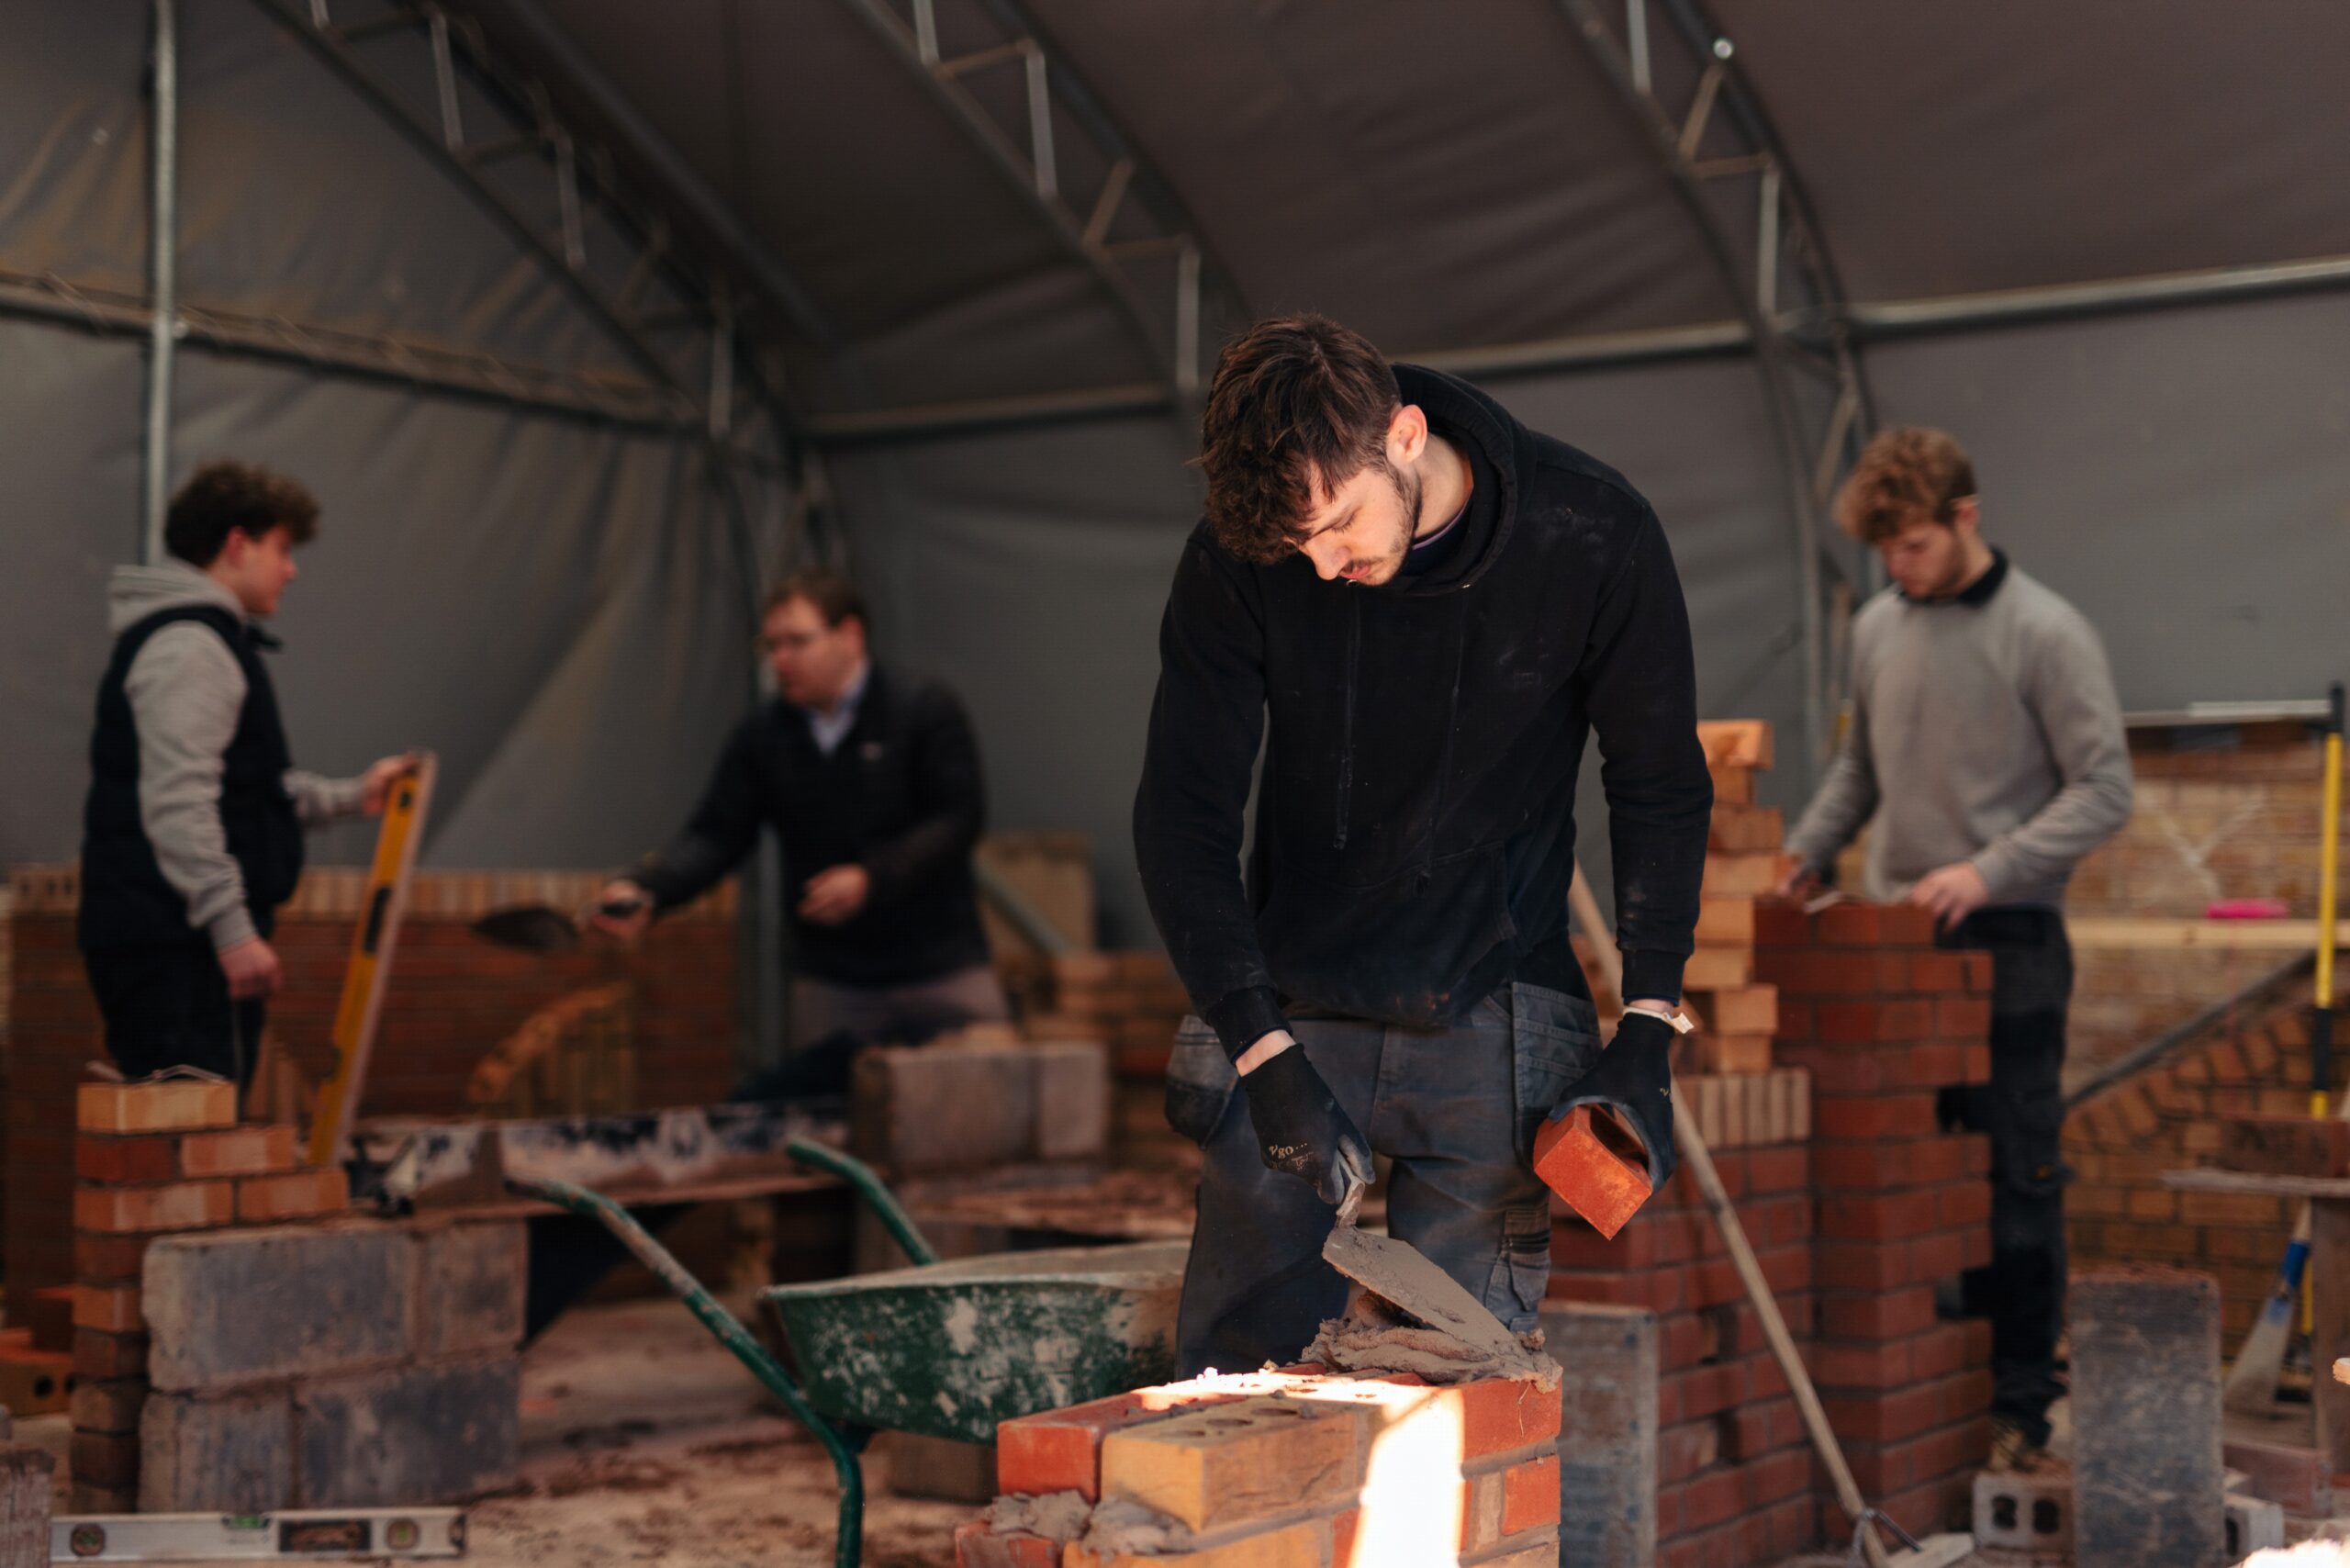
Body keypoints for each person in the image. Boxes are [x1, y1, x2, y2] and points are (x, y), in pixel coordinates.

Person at [1134, 314, 1714, 1373]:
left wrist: (1647, 1023)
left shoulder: (1589, 532)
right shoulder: (1242, 551)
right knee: (1231, 1389)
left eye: (1341, 525)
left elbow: (1660, 785)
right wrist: (1259, 1052)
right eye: (1292, 547)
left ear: (1404, 435)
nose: (1320, 567)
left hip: (1494, 1005)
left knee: (1460, 1399)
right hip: (1295, 1009)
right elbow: (1182, 814)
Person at [1777, 426, 2132, 1473]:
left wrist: (1987, 869)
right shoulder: (1879, 627)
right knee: (1911, 1170)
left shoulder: (2047, 632)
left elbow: (2105, 788)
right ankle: (1931, 1395)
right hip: (1896, 943)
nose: (1899, 568)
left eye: (1916, 546)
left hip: (2010, 935)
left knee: (2011, 1174)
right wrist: (1804, 853)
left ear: (1966, 518)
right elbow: (1860, 768)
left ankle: (2020, 1404)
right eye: (1885, 551)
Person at [78, 460, 412, 1091]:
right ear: (237, 545)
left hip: (180, 945)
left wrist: (353, 797)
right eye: (282, 549)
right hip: (176, 951)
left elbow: (247, 791)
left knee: (201, 1151)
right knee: (188, 1152)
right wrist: (231, 930)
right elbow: (178, 803)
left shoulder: (212, 642)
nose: (291, 569)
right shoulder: (191, 647)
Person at [596, 569, 1007, 1047]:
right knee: (821, 1111)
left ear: (850, 635)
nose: (781, 660)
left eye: (797, 642)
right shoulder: (765, 735)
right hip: (834, 979)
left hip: (943, 969)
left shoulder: (922, 709)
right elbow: (716, 835)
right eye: (771, 646)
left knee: (988, 1099)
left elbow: (958, 819)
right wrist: (648, 889)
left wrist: (872, 879)